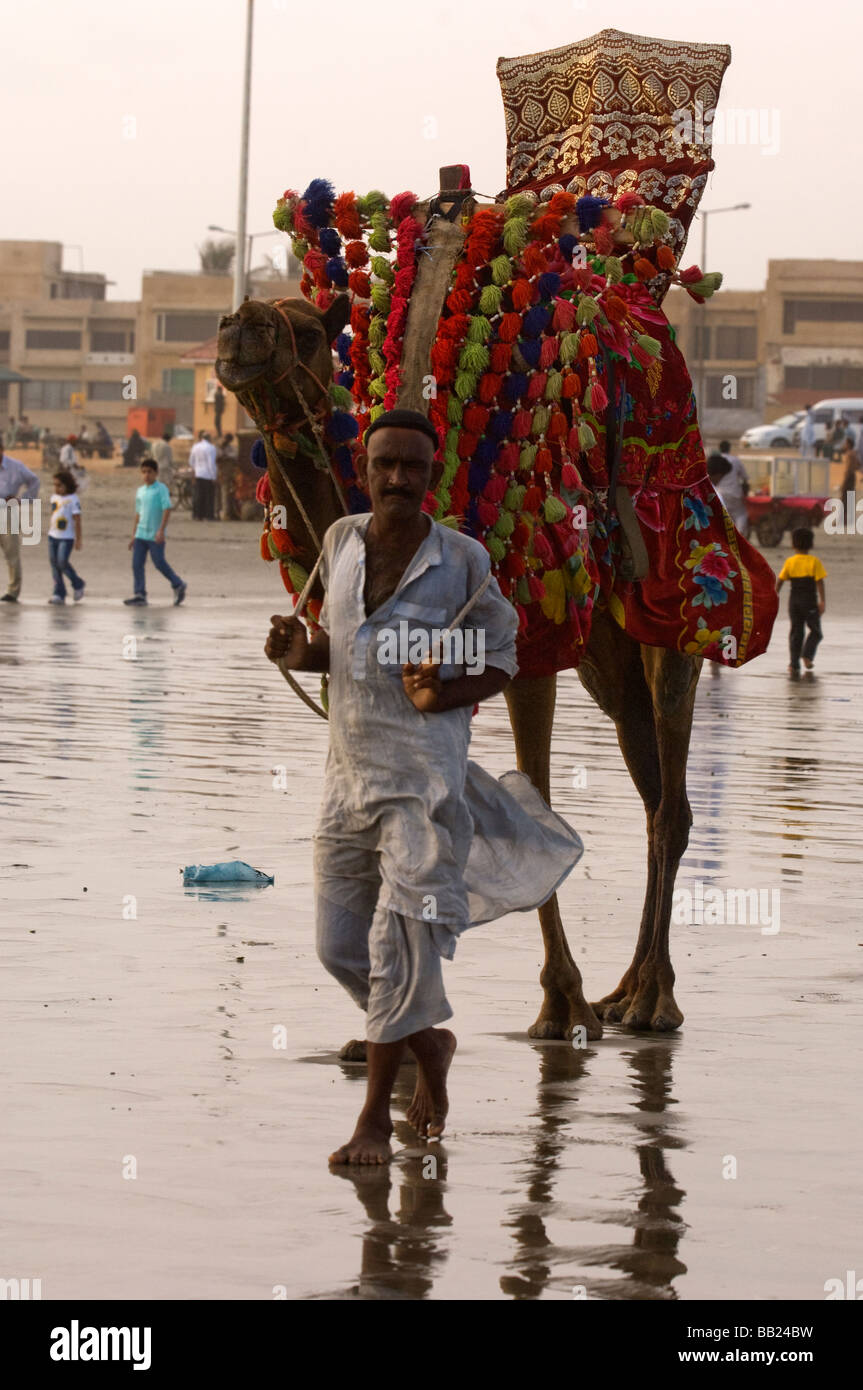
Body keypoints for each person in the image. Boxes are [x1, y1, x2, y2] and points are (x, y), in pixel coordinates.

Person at [264, 409, 583, 1165]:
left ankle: (373, 1121)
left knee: (399, 946)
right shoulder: (340, 543)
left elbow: (504, 651)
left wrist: (446, 691)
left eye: (412, 466)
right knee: (338, 947)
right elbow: (340, 654)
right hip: (346, 783)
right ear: (366, 471)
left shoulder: (462, 561)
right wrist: (299, 650)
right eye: (385, 466)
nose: (397, 479)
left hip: (425, 792)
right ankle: (428, 1043)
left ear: (431, 476)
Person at [124, 459, 187, 607]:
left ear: (156, 473)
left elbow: (167, 508)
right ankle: (140, 594)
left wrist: (161, 530)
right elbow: (138, 513)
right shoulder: (140, 491)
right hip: (141, 534)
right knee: (137, 564)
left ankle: (178, 583)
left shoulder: (161, 489)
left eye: (149, 472)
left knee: (159, 562)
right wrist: (133, 535)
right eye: (144, 472)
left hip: (155, 535)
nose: (146, 475)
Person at [776, 527, 826, 677]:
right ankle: (807, 656)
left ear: (793, 545)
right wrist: (822, 601)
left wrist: (774, 596)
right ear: (811, 544)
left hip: (794, 602)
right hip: (809, 602)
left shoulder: (790, 562)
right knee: (816, 632)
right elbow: (820, 583)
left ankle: (793, 664)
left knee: (796, 633)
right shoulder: (814, 562)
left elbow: (780, 581)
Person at [0, 443, 40, 601]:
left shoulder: (15, 466)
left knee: (12, 553)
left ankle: (13, 591)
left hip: (8, 511)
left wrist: (23, 500)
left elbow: (34, 481)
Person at [47, 468, 85, 604]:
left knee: (62, 562)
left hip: (66, 537)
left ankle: (78, 583)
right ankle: (59, 592)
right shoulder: (54, 497)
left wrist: (78, 539)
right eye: (55, 485)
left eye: (59, 485)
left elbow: (77, 520)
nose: (56, 488)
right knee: (54, 564)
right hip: (52, 536)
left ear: (67, 485)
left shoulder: (73, 499)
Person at [716, 440, 750, 535]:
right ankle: (739, 535)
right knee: (741, 514)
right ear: (729, 449)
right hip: (734, 493)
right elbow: (745, 477)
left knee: (724, 516)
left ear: (720, 449)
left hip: (719, 494)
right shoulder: (735, 460)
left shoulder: (715, 460)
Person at [189, 430, 217, 520]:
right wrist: (214, 476)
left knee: (198, 495)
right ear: (209, 438)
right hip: (208, 475)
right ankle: (209, 515)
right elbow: (211, 463)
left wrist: (194, 471)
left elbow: (191, 461)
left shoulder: (195, 446)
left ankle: (197, 515)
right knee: (209, 497)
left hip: (198, 474)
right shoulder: (211, 447)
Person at [216, 431, 238, 519]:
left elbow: (234, 455)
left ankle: (225, 513)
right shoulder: (217, 447)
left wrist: (226, 456)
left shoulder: (230, 448)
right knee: (219, 495)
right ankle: (219, 513)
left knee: (225, 494)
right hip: (219, 474)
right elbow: (218, 456)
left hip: (225, 475)